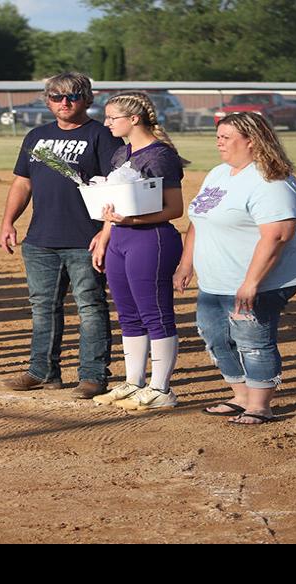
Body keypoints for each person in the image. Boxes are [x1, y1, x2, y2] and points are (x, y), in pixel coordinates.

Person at [176, 111, 296, 425]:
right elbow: (200, 218)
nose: (218, 143)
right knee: (214, 335)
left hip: (261, 279)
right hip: (216, 279)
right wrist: (186, 263)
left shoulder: (271, 180)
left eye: (226, 138)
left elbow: (278, 235)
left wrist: (251, 282)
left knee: (253, 340)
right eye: (218, 136)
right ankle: (240, 396)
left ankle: (261, 404)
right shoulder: (219, 173)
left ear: (251, 142)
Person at [0, 72, 123, 398]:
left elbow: (119, 186)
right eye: (56, 97)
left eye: (73, 96)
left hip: (86, 238)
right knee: (43, 307)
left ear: (88, 99)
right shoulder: (37, 136)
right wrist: (8, 221)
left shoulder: (102, 135)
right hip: (41, 238)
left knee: (90, 307)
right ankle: (43, 372)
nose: (64, 102)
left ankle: (93, 376)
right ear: (47, 100)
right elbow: (22, 182)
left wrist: (106, 233)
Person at [89, 92, 188, 411]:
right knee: (129, 315)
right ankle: (134, 382)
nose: (106, 123)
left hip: (151, 239)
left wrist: (132, 219)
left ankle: (161, 388)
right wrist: (105, 236)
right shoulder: (121, 154)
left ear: (134, 119)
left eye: (111, 118)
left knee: (155, 314)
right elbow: (113, 206)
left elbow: (175, 209)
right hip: (120, 239)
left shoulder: (160, 155)